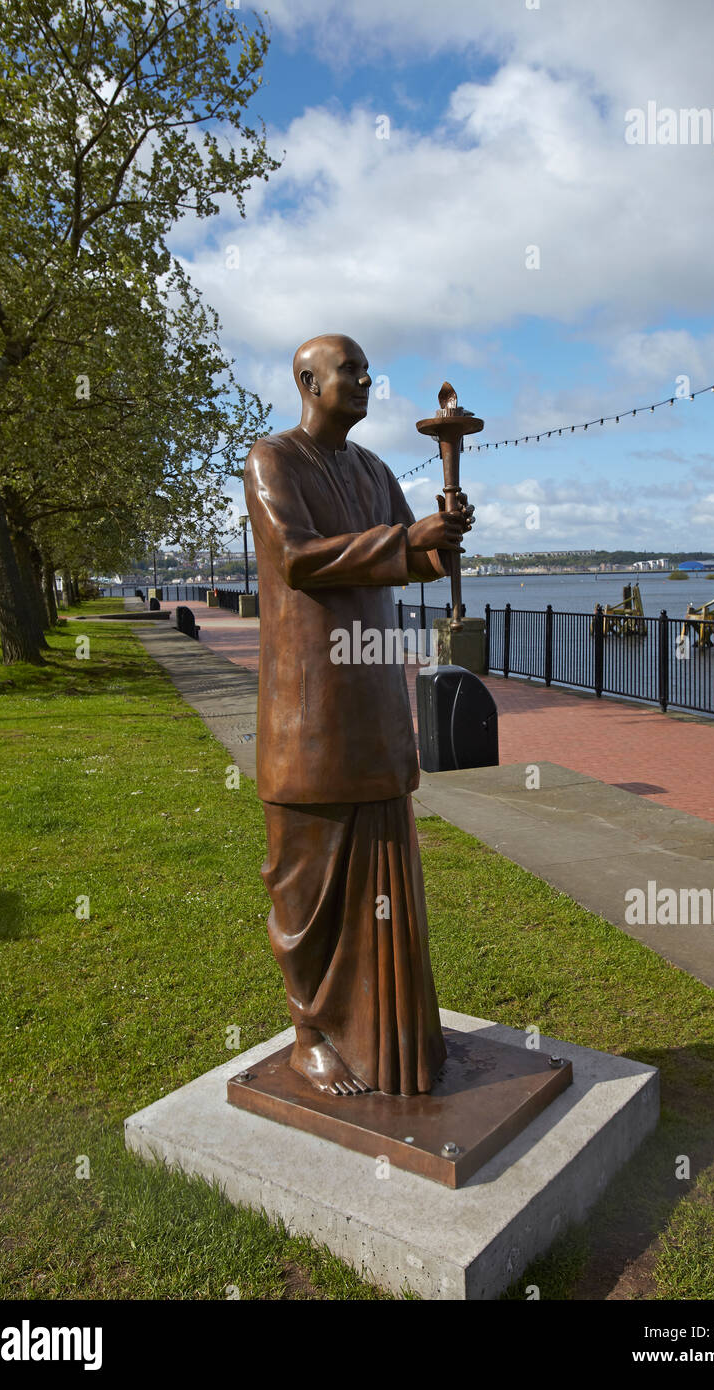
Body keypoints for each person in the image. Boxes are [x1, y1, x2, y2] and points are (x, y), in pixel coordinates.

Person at [244, 334, 474, 1097]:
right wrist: (407, 540)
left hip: (373, 696)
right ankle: (311, 1032)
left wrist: (441, 539)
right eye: (351, 371)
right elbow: (299, 559)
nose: (367, 381)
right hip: (309, 707)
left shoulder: (374, 470)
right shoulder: (271, 460)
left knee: (381, 865)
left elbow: (410, 557)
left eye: (370, 371)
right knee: (304, 882)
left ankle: (393, 1039)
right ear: (308, 380)